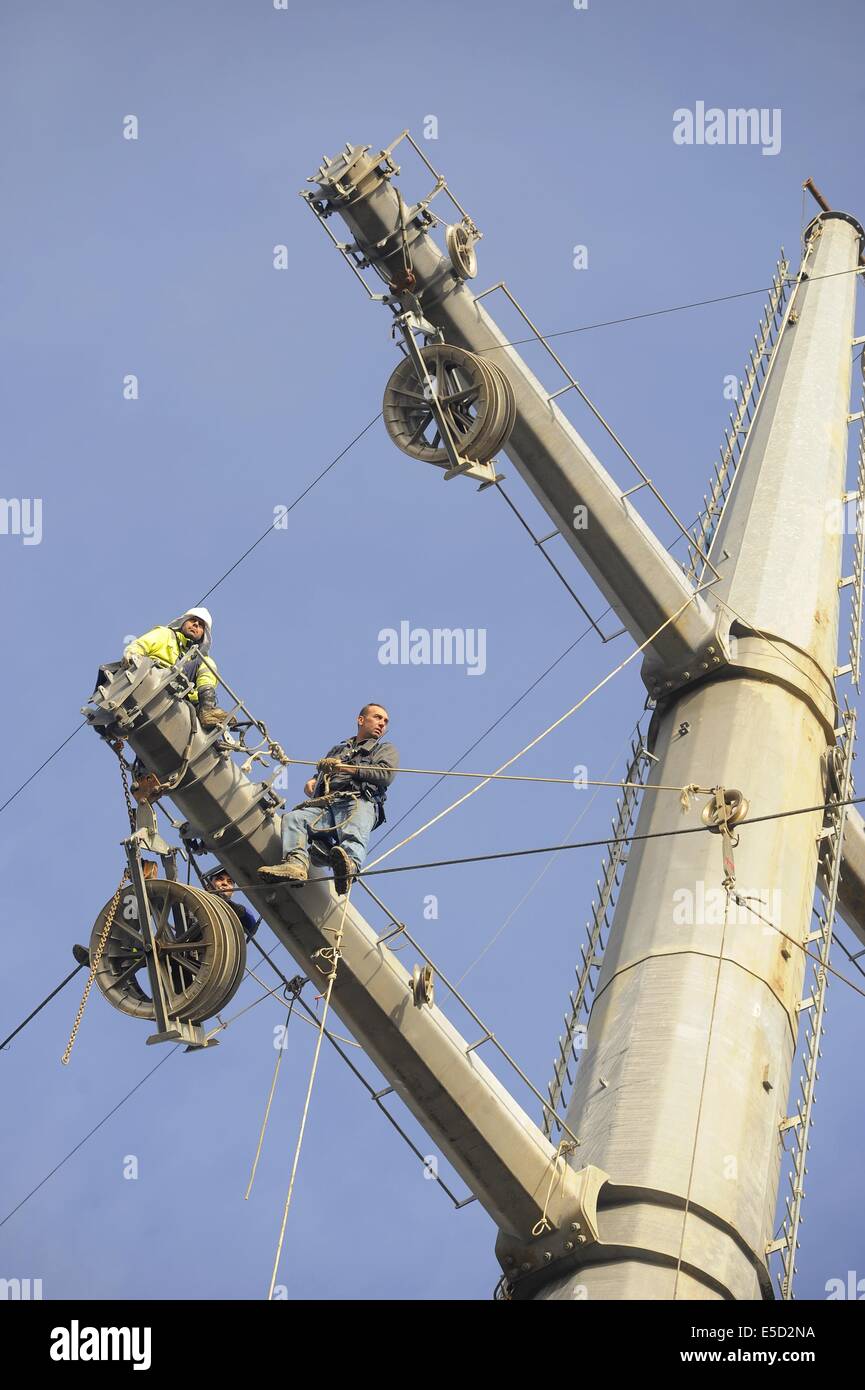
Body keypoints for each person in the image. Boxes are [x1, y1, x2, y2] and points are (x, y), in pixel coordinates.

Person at [259, 703, 398, 895]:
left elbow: (385, 775)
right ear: (361, 720)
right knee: (294, 819)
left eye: (385, 721)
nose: (382, 723)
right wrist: (313, 782)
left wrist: (343, 768)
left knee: (353, 834)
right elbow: (322, 776)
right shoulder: (338, 750)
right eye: (377, 717)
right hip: (328, 805)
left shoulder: (384, 748)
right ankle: (296, 864)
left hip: (358, 801)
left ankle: (348, 868)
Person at [122, 608, 228, 729]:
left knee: (202, 715)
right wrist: (131, 655)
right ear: (183, 622)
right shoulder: (166, 634)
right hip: (157, 676)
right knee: (207, 662)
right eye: (192, 620)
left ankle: (213, 734)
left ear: (203, 634)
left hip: (179, 692)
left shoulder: (193, 659)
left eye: (201, 625)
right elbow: (140, 645)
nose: (196, 624)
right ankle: (207, 710)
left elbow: (194, 693)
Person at [204, 867, 259, 940]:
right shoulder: (190, 901)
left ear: (232, 892)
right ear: (207, 886)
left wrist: (227, 903)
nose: (225, 883)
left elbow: (251, 925)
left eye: (229, 882)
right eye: (220, 879)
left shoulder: (235, 912)